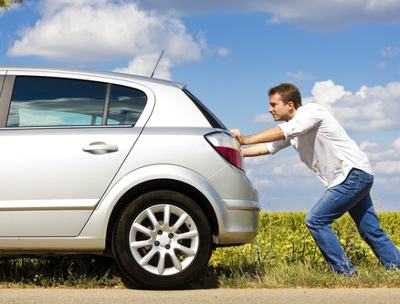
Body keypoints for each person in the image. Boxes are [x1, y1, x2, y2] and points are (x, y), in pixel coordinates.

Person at [229, 83, 400, 276]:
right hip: (354, 176)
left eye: (273, 104)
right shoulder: (292, 130)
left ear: (290, 105)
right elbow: (267, 148)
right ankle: (396, 268)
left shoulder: (311, 112)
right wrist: (233, 152)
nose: (270, 109)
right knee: (370, 230)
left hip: (352, 175)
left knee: (316, 220)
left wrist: (245, 138)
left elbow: (280, 132)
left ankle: (345, 273)